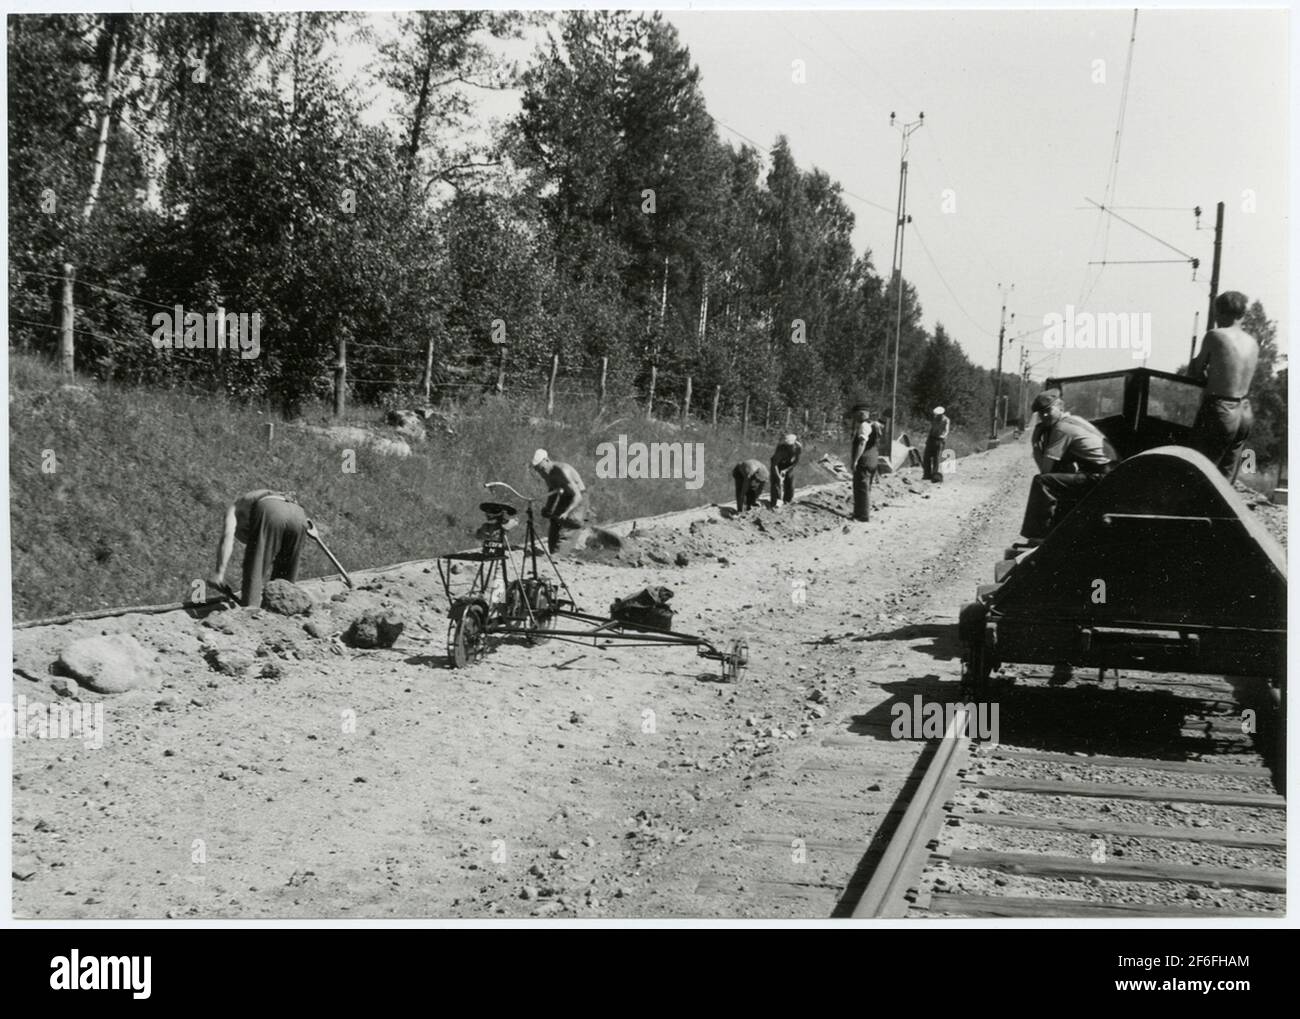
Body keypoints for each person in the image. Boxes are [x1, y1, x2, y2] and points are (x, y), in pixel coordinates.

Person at [1019, 392, 1116, 542]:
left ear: (1059, 407)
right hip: (1111, 474)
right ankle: (1058, 531)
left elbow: (1045, 471)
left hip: (1101, 476)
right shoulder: (1074, 420)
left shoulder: (1061, 428)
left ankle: (1038, 536)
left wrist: (1035, 443)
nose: (1044, 416)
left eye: (1048, 410)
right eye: (1041, 413)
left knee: (1042, 482)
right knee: (1060, 478)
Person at [1187, 290, 1258, 481]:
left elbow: (1195, 372)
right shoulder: (1253, 343)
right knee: (1225, 477)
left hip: (1220, 409)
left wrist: (1196, 365)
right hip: (1244, 411)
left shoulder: (1214, 335)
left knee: (1202, 470)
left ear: (1218, 312)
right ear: (1242, 315)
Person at [210, 489, 308, 607]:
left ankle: (250, 607)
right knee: (286, 574)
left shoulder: (233, 510)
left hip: (271, 509)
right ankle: (283, 606)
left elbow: (227, 537)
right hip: (299, 514)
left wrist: (219, 573)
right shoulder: (261, 497)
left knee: (255, 562)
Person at [531, 449, 586, 553]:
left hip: (579, 498)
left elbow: (578, 496)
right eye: (538, 471)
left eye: (542, 469)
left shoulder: (563, 470)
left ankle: (562, 553)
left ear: (546, 460)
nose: (542, 473)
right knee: (555, 520)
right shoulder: (547, 473)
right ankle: (553, 552)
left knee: (570, 522)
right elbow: (553, 490)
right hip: (565, 497)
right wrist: (548, 508)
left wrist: (566, 512)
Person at [849, 406, 885, 522]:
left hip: (864, 460)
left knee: (861, 487)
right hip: (873, 458)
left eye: (855, 415)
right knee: (866, 486)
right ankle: (860, 512)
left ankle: (862, 515)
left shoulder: (864, 426)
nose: (853, 417)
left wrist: (855, 460)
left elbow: (862, 443)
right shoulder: (875, 425)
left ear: (861, 414)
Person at [769, 433, 802, 508]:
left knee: (790, 482)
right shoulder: (781, 449)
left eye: (790, 445)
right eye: (787, 445)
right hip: (777, 466)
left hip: (788, 465)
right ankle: (774, 503)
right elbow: (774, 465)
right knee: (776, 483)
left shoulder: (798, 447)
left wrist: (786, 470)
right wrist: (778, 477)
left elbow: (796, 461)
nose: (789, 447)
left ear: (794, 443)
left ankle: (787, 501)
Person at [922, 406, 950, 482]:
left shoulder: (946, 420)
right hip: (931, 438)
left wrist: (943, 437)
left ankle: (934, 474)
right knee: (926, 457)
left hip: (939, 440)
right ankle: (927, 473)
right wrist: (928, 439)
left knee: (936, 458)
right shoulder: (934, 419)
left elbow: (946, 431)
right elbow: (932, 429)